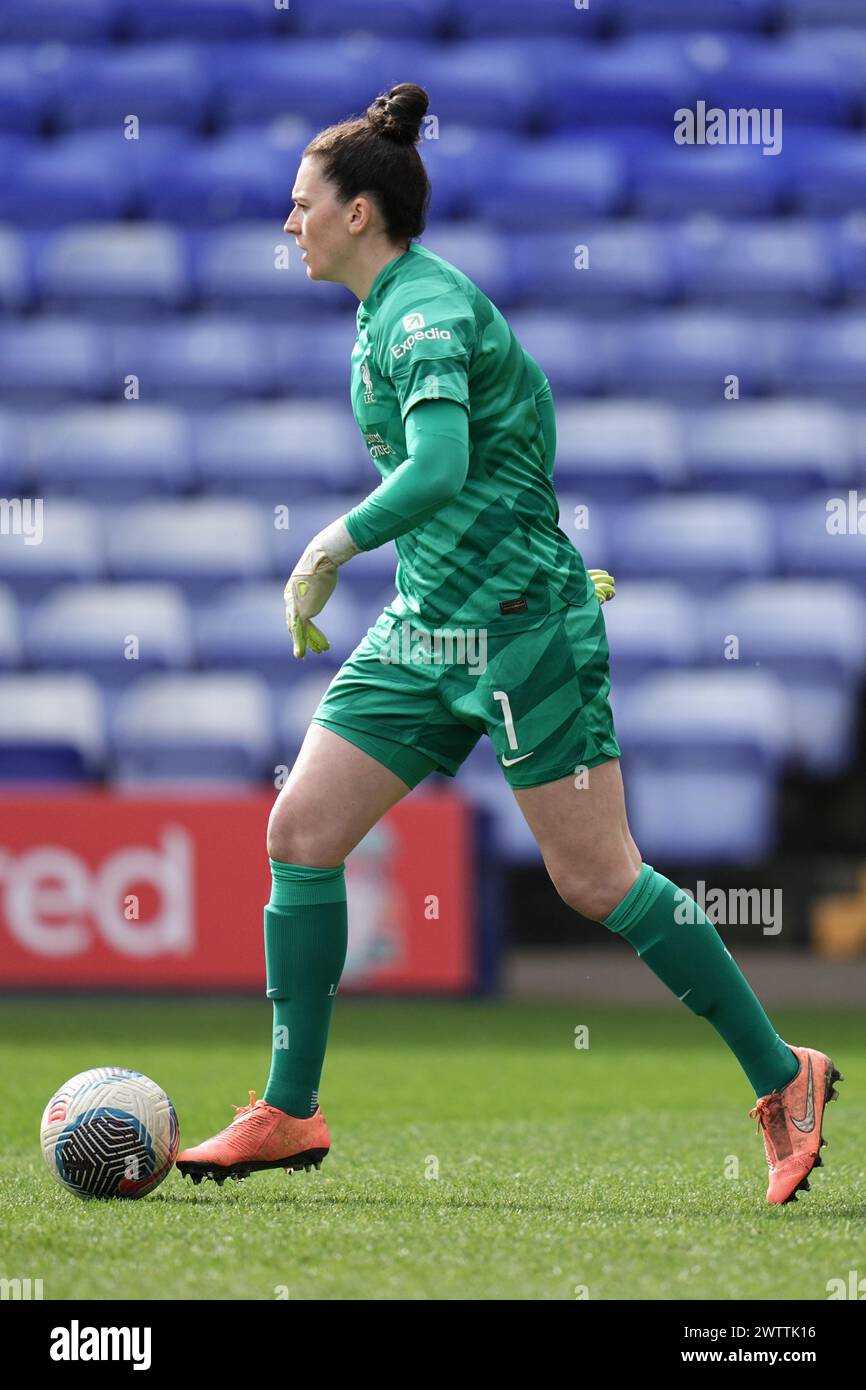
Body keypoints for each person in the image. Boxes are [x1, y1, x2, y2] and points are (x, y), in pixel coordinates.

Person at [176, 84, 842, 1205]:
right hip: (427, 623)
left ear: (357, 214)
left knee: (595, 880)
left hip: (518, 632)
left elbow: (436, 468)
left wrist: (326, 549)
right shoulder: (378, 314)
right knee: (299, 828)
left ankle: (785, 1076)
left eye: (299, 204)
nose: (285, 222)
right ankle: (289, 1108)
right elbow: (484, 465)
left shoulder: (423, 312)